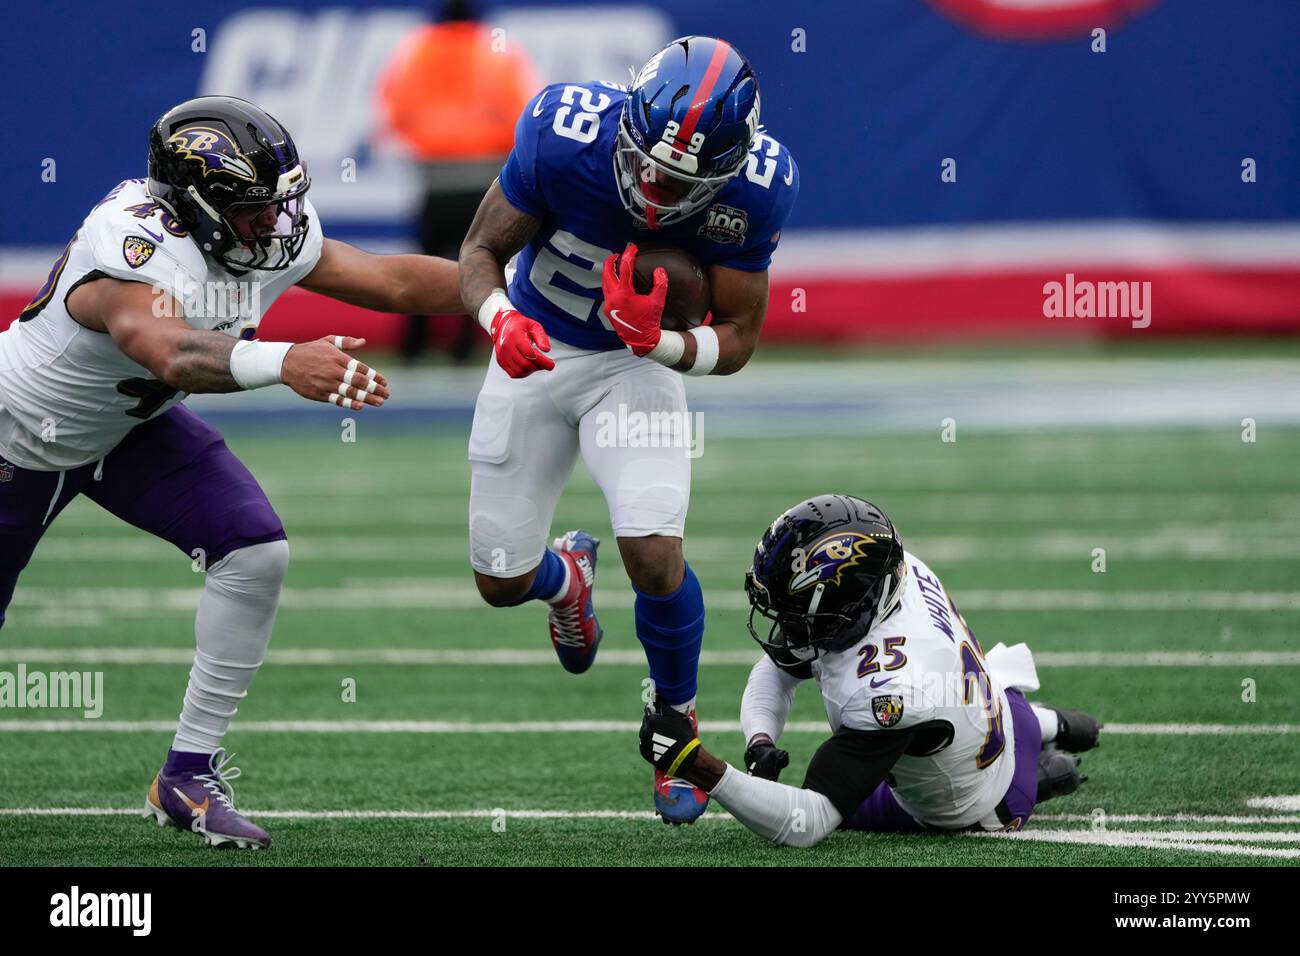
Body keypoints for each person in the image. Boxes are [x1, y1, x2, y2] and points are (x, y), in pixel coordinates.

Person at [0, 95, 464, 849]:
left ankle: (187, 772)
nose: (276, 225)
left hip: (127, 429)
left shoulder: (261, 232)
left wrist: (515, 292)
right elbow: (170, 352)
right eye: (254, 211)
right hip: (18, 433)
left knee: (254, 549)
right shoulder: (137, 239)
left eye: (281, 205)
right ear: (196, 205)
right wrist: (288, 360)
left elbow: (396, 283)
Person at [458, 35, 799, 822]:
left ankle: (674, 730)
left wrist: (665, 344)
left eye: (679, 179)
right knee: (500, 580)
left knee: (653, 555)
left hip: (634, 368)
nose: (652, 184)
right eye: (644, 159)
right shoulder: (562, 128)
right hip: (534, 347)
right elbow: (479, 249)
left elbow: (739, 339)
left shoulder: (758, 186)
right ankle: (564, 582)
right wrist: (497, 316)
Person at [639, 494, 1100, 845]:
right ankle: (1057, 724)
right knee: (981, 705)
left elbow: (808, 821)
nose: (790, 626)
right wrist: (761, 739)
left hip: (978, 801)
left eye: (800, 613)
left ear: (854, 603)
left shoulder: (889, 692)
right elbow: (776, 669)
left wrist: (697, 766)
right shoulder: (895, 571)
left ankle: (1048, 775)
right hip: (991, 704)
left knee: (850, 805)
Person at [377, 0, 537, 362]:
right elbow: (521, 115)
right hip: (483, 179)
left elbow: (394, 111)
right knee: (479, 259)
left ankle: (413, 345)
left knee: (424, 259)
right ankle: (465, 345)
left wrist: (431, 139)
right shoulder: (497, 53)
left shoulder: (418, 52)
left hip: (435, 178)